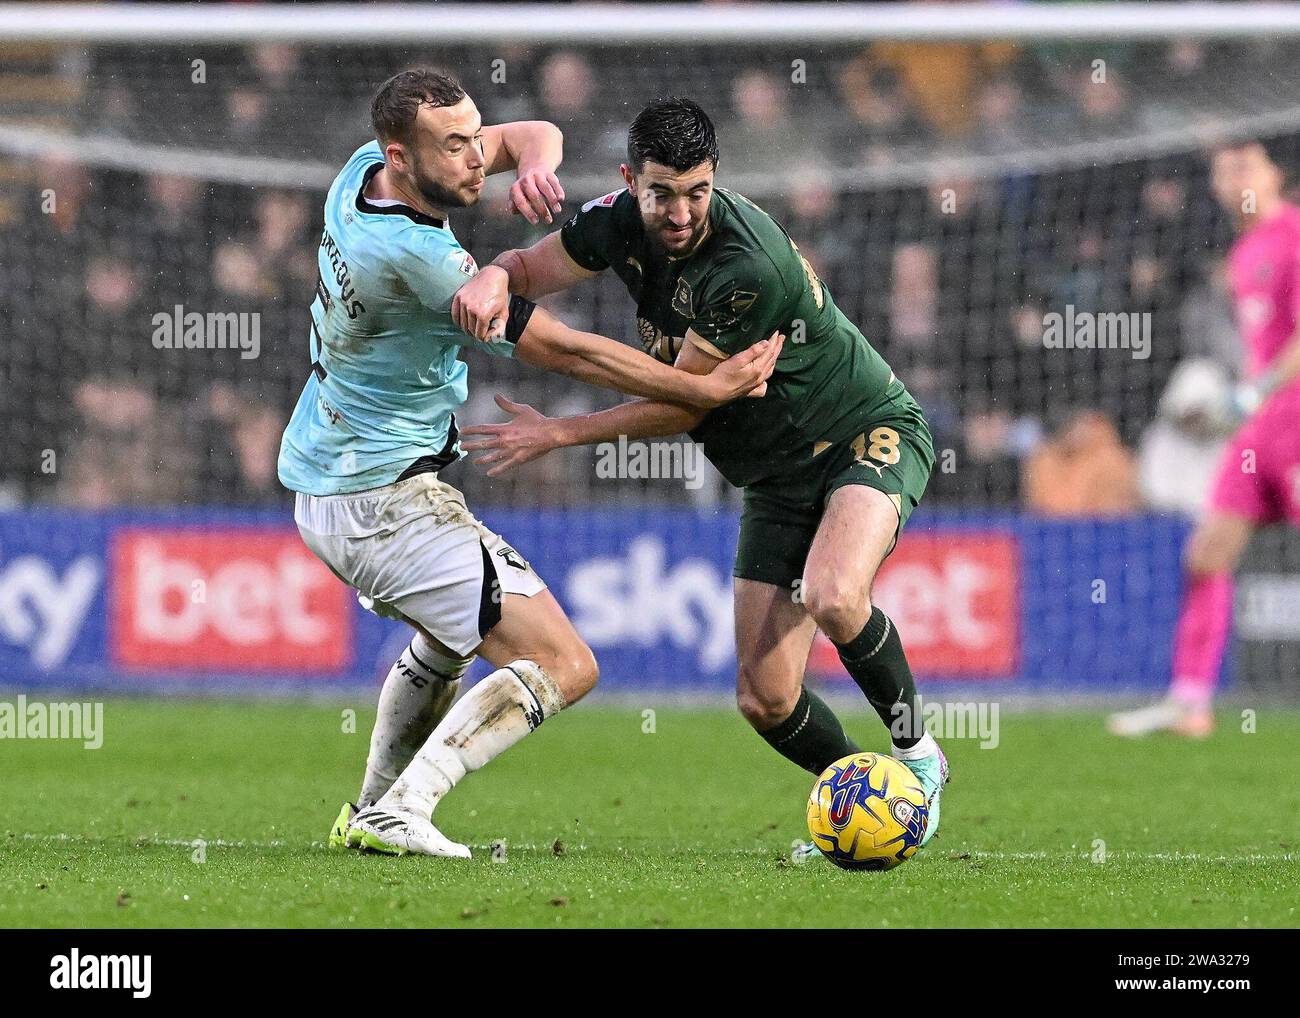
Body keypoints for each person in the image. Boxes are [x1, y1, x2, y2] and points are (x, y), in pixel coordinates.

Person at [278, 71, 779, 856]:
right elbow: (571, 352)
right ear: (400, 157)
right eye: (455, 146)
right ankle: (401, 807)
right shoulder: (416, 258)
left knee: (449, 644)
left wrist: (537, 165)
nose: (478, 159)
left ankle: (370, 809)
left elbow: (529, 135)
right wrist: (698, 386)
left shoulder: (359, 173)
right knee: (564, 663)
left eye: (475, 134)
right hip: (381, 501)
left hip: (332, 474)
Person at [455, 97, 949, 849]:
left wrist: (561, 432)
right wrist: (495, 272)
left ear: (715, 178)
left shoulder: (744, 267)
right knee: (764, 699)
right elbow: (529, 267)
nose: (682, 210)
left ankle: (919, 756)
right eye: (662, 193)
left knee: (834, 594)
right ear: (631, 181)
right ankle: (879, 806)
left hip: (861, 432)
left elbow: (684, 402)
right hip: (776, 478)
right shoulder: (613, 222)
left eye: (698, 190)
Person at [1109, 141, 1300, 737]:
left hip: (1291, 416)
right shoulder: (1244, 252)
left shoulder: (1294, 235)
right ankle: (1190, 702)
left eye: (1248, 164)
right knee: (1205, 554)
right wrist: (1237, 405)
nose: (1235, 176)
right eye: (1225, 169)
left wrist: (1254, 391)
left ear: (1276, 175)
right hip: (1259, 425)